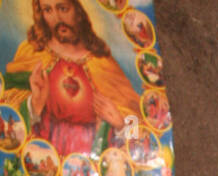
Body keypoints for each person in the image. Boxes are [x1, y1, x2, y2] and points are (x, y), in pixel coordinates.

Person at [3, 0, 139, 159]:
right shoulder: (32, 53)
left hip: (90, 164)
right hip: (39, 157)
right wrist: (33, 105)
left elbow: (138, 122)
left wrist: (120, 124)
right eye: (47, 10)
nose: (57, 18)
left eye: (63, 8)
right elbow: (6, 105)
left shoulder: (103, 64)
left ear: (79, 11)